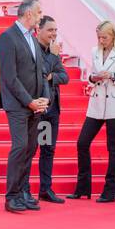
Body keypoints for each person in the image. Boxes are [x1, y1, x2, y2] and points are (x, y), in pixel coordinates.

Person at [71, 20, 115, 203]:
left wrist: (113, 76)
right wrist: (93, 77)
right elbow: (91, 76)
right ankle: (83, 188)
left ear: (113, 35)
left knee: (113, 148)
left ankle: (110, 191)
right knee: (82, 142)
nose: (101, 40)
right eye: (99, 37)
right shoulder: (94, 51)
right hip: (97, 103)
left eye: (104, 37)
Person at [0, 0, 48, 213]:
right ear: (28, 14)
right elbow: (9, 77)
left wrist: (44, 98)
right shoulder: (7, 38)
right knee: (19, 148)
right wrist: (29, 102)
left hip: (35, 105)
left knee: (30, 148)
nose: (41, 16)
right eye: (38, 12)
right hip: (18, 105)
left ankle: (23, 191)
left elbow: (41, 71)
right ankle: (12, 196)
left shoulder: (33, 38)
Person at [34, 15, 69, 203]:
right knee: (31, 149)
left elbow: (65, 76)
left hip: (52, 109)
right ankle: (22, 190)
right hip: (37, 108)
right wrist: (53, 59)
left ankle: (45, 189)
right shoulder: (34, 50)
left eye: (55, 30)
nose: (53, 34)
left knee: (48, 149)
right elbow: (40, 73)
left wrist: (51, 77)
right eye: (50, 30)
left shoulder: (52, 50)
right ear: (39, 30)